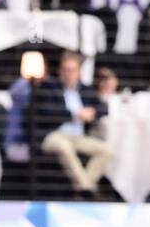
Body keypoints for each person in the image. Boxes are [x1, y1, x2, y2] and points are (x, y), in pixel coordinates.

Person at [30, 51, 109, 197]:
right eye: (65, 70)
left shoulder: (85, 90)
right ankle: (87, 189)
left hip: (77, 137)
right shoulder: (48, 87)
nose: (68, 74)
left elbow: (103, 107)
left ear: (79, 72)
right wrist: (74, 115)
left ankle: (82, 189)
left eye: (72, 70)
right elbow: (46, 111)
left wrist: (92, 112)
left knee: (106, 150)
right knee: (64, 147)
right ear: (60, 71)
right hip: (53, 135)